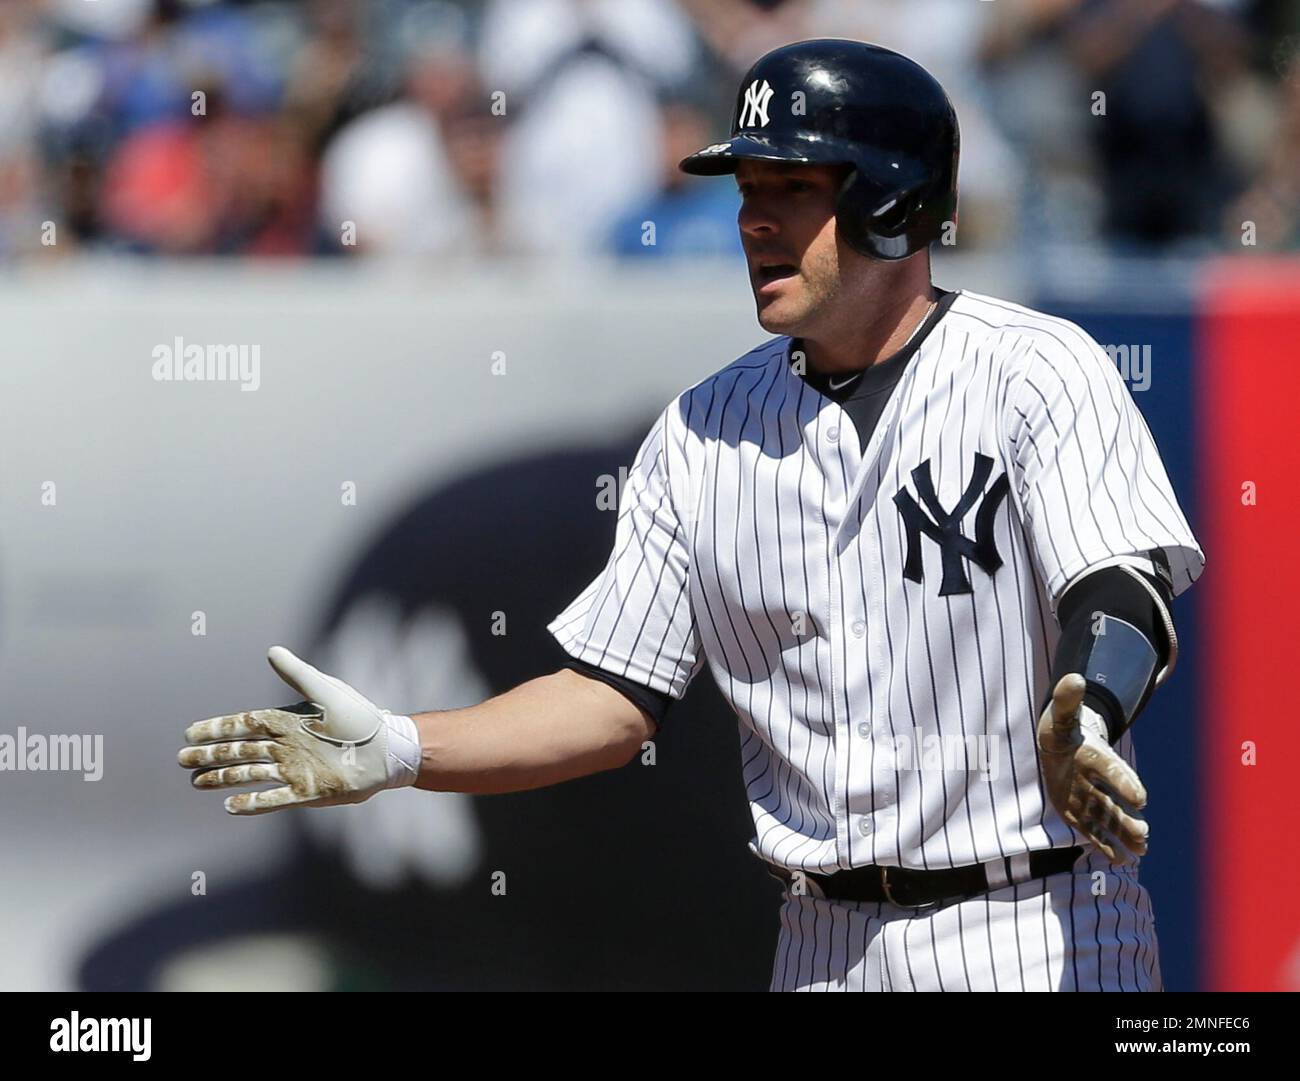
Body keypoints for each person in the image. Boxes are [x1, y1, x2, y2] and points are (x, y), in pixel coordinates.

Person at [178, 38, 1204, 992]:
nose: (754, 219)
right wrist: (402, 749)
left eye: (794, 189)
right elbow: (610, 698)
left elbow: (1121, 585)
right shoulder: (701, 431)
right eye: (750, 190)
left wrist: (1091, 707)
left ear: (894, 206)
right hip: (817, 943)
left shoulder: (1034, 369)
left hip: (1033, 922)